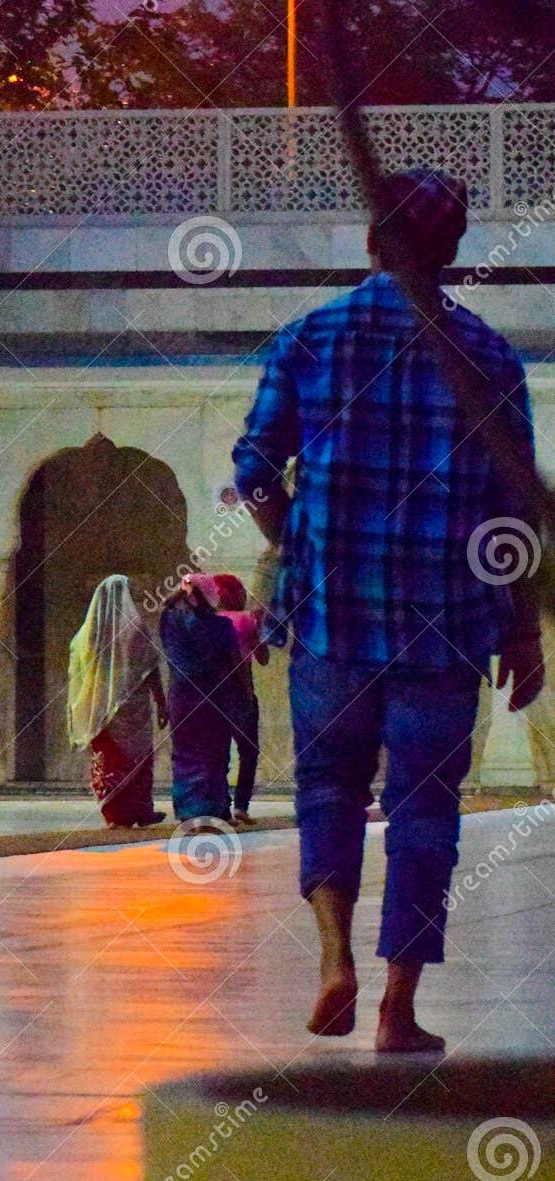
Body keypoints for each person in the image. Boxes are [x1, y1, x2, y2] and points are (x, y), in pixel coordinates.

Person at [235, 167, 545, 1053]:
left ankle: (334, 959)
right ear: (450, 253)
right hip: (445, 633)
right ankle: (397, 1007)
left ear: (373, 242)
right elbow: (516, 509)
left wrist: (295, 540)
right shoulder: (485, 357)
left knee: (327, 788)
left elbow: (254, 467)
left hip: (332, 621)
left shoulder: (310, 338)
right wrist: (522, 627)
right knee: (425, 807)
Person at [67, 575, 168, 828]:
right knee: (137, 757)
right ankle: (140, 811)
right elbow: (151, 669)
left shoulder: (85, 636)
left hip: (101, 708)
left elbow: (77, 677)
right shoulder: (136, 630)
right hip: (133, 706)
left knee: (110, 758)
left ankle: (114, 814)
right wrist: (161, 702)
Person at [159, 573, 241, 823]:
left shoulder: (168, 621)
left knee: (184, 754)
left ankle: (188, 810)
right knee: (213, 753)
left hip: (182, 699)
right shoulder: (222, 626)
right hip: (215, 698)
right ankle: (213, 808)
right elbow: (233, 664)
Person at [214, 572, 267, 825]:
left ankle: (221, 806)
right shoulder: (246, 619)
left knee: (218, 750)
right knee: (249, 751)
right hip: (242, 689)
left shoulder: (209, 620)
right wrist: (259, 627)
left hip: (214, 692)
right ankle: (241, 806)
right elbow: (263, 658)